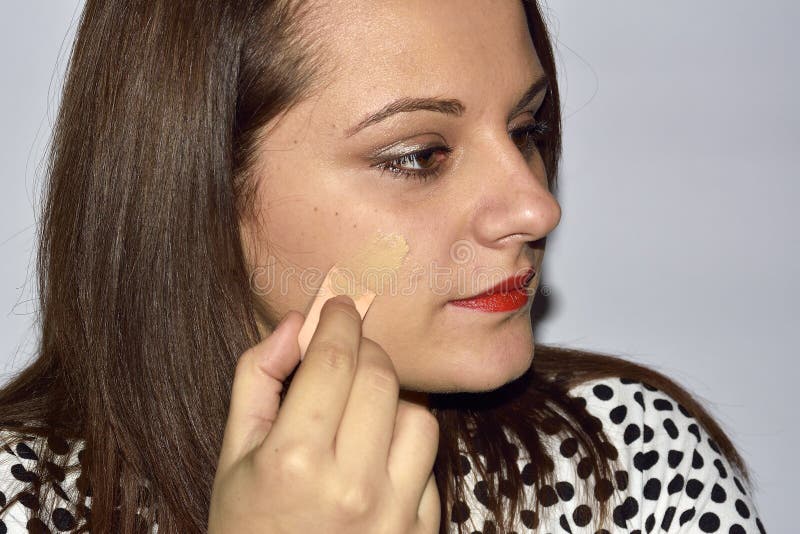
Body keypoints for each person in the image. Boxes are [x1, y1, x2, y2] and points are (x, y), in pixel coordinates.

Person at [0, 0, 767, 533]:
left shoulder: (626, 469)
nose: (535, 207)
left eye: (527, 126)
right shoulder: (18, 502)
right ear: (193, 187)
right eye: (419, 156)